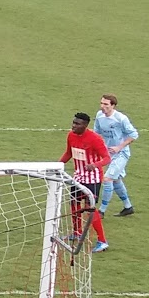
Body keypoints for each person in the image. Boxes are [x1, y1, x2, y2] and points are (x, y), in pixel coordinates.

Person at [61, 112, 112, 253]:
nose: (73, 126)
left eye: (77, 124)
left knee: (90, 209)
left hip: (92, 179)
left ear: (85, 125)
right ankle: (77, 232)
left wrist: (95, 165)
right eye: (73, 122)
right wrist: (57, 165)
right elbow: (69, 153)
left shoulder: (95, 139)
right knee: (74, 205)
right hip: (78, 177)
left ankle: (102, 241)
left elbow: (107, 158)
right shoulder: (71, 136)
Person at [94, 94, 138, 217]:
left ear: (113, 106)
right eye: (101, 103)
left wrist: (119, 147)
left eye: (106, 104)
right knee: (116, 179)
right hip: (108, 154)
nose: (102, 106)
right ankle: (128, 207)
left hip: (121, 154)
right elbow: (97, 133)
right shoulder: (99, 115)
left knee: (107, 179)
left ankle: (101, 211)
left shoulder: (121, 118)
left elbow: (134, 135)